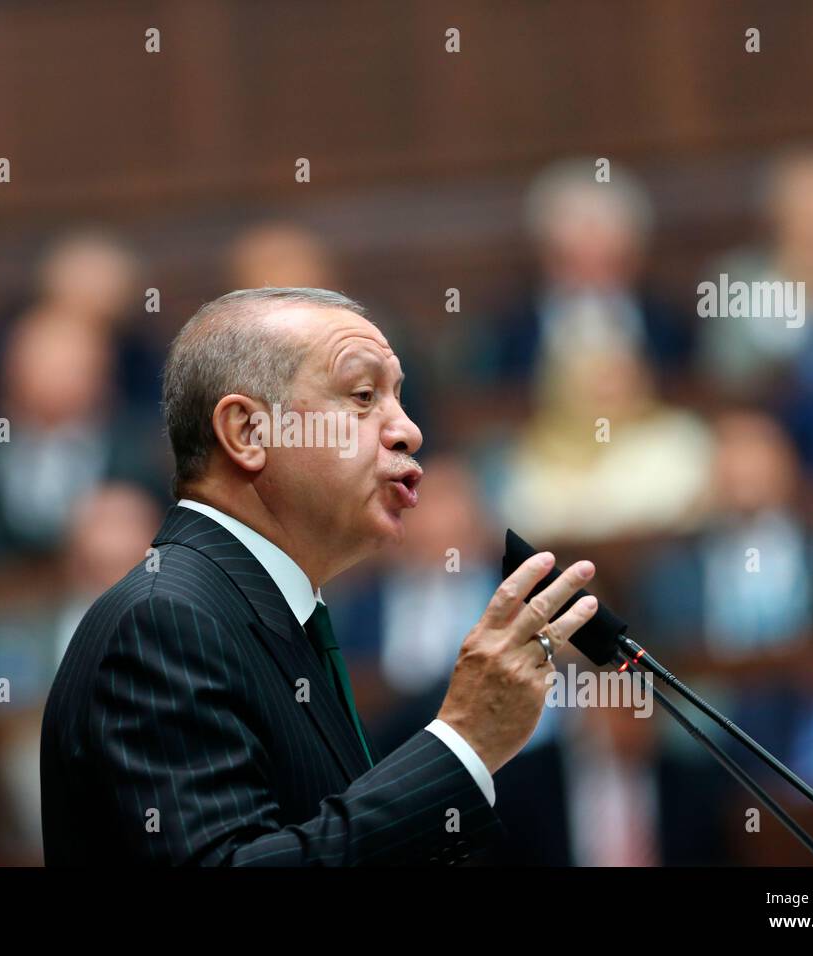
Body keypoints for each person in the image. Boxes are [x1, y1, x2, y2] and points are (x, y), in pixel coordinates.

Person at [40, 287, 601, 866]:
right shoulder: (164, 622)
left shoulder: (271, 612)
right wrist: (462, 743)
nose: (408, 431)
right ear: (247, 433)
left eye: (399, 398)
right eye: (363, 397)